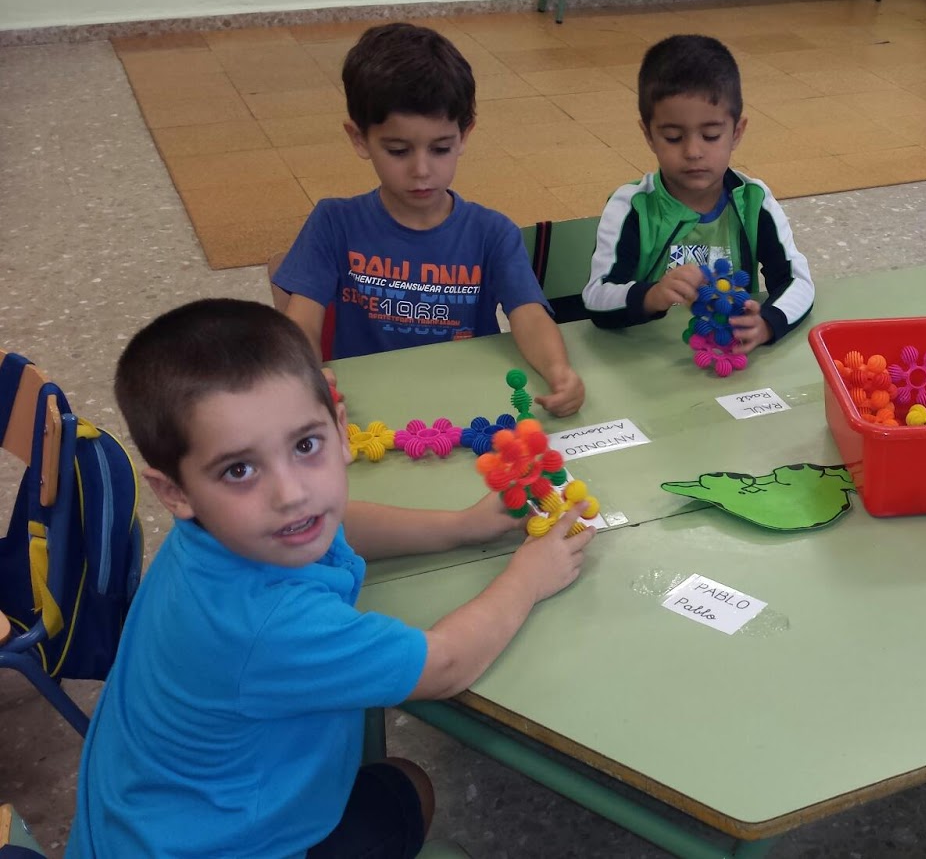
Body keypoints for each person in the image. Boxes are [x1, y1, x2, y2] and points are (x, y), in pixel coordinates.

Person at [67, 299, 596, 858]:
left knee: (392, 783)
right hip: (212, 846)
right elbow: (444, 666)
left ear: (340, 431)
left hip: (145, 822)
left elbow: (341, 522)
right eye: (239, 470)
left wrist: (461, 527)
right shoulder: (265, 623)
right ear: (175, 492)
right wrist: (530, 577)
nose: (291, 493)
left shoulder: (223, 530)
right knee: (406, 787)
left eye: (304, 445)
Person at [271, 22, 585, 416]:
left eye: (440, 148)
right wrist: (305, 379)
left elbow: (529, 315)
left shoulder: (492, 232)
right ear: (358, 139)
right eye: (399, 150)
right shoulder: (334, 222)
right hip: (366, 413)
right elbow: (301, 323)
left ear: (464, 136)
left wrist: (559, 372)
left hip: (470, 407)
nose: (421, 170)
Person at [582, 34, 814, 351]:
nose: (693, 151)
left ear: (737, 132)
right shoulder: (632, 207)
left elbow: (797, 282)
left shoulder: (753, 201)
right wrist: (651, 295)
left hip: (731, 362)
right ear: (648, 135)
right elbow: (596, 297)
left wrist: (767, 323)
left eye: (711, 135)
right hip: (647, 364)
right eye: (674, 137)